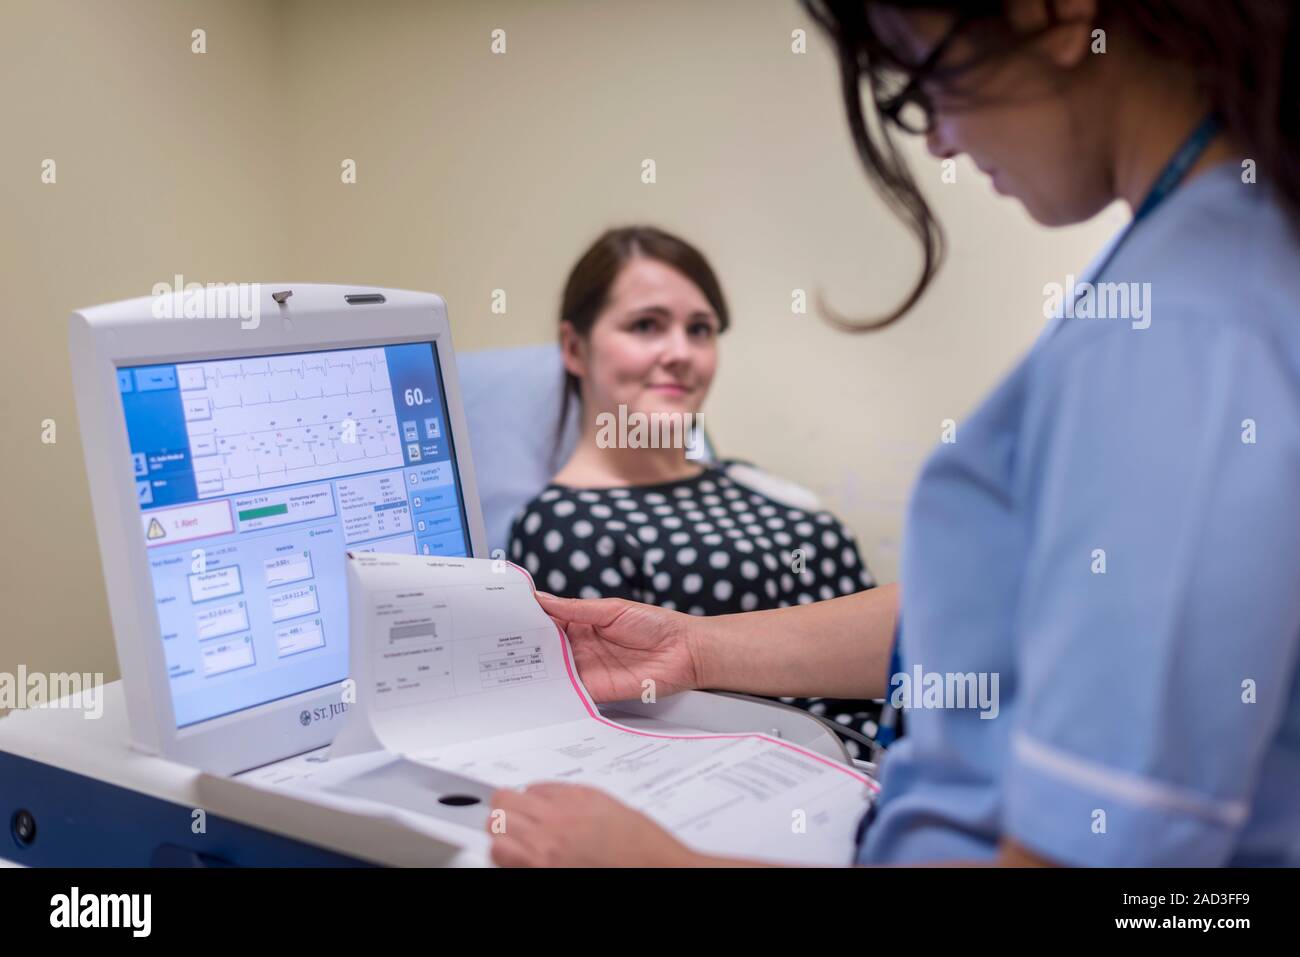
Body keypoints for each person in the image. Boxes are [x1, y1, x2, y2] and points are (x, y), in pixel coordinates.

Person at [487, 0, 1300, 867]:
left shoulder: (1178, 330)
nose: (939, 141)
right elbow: (1023, 613)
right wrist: (695, 644)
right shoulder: (1218, 266)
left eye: (920, 77)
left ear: (1057, 16)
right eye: (646, 325)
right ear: (573, 350)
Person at [508, 225, 885, 758]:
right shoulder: (563, 527)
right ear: (574, 347)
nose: (681, 352)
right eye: (646, 325)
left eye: (700, 329)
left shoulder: (748, 480)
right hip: (805, 781)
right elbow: (632, 740)